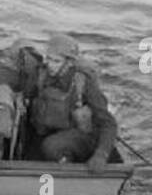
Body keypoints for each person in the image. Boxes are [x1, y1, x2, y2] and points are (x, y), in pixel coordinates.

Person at [25, 35, 121, 172]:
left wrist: (101, 154)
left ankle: (69, 169)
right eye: (49, 59)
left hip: (80, 136)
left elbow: (108, 123)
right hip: (46, 131)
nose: (50, 65)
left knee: (52, 146)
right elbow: (26, 98)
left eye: (56, 61)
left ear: (69, 63)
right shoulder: (40, 75)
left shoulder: (83, 83)